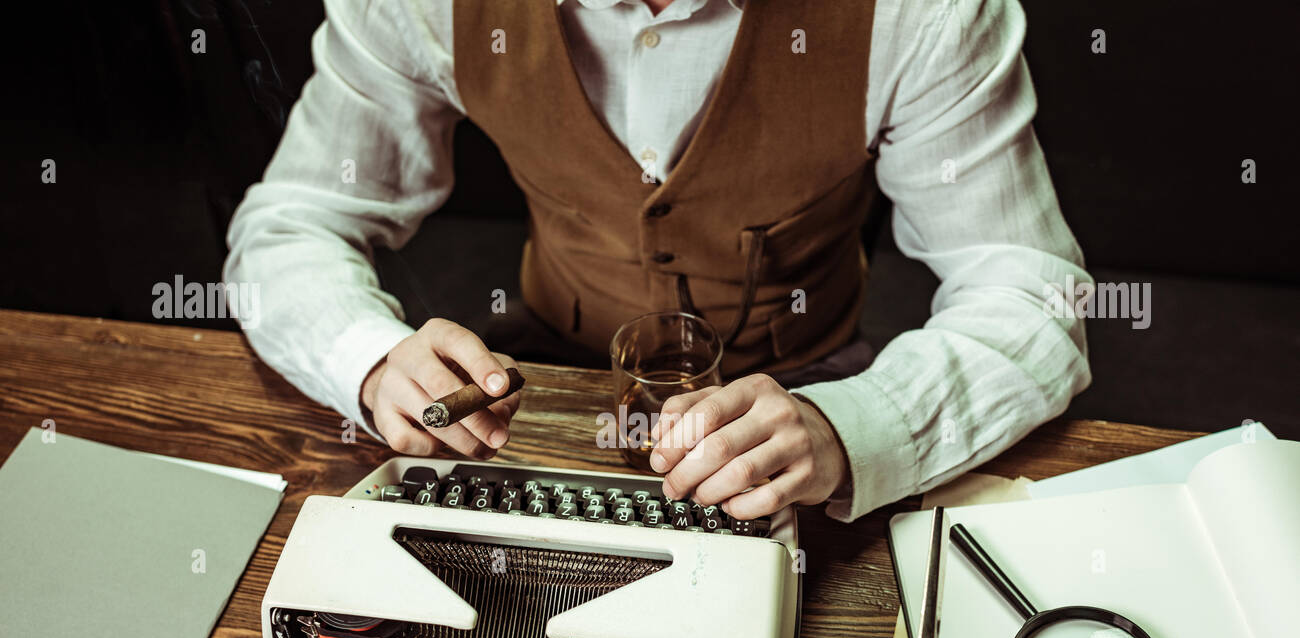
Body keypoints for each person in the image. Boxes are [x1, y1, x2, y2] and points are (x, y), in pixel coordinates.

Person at [224, 0, 1091, 522]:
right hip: (537, 386)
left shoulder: (922, 14)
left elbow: (1030, 290)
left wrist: (849, 427)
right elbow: (292, 223)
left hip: (807, 379)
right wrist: (370, 361)